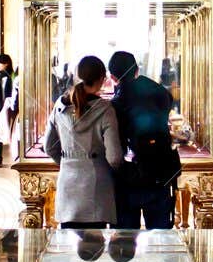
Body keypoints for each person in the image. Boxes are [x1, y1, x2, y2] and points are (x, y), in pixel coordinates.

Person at [44, 55, 124, 229]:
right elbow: (114, 158)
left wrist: (67, 161)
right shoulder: (105, 110)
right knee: (96, 241)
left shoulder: (60, 106)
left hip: (67, 184)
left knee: (69, 241)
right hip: (97, 188)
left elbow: (48, 146)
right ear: (101, 79)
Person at [108, 49, 179, 230]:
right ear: (136, 70)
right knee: (160, 235)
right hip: (160, 171)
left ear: (113, 77)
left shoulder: (116, 103)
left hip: (128, 176)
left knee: (125, 237)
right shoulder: (158, 91)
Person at [0, 53, 17, 167]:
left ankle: (17, 156)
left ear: (6, 64)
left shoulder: (12, 76)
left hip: (8, 109)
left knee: (12, 134)